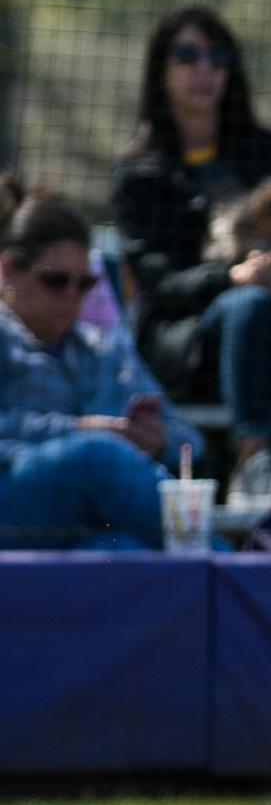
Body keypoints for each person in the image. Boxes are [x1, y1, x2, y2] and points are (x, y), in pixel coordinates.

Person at [111, 6, 271, 501]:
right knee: (249, 304)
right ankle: (252, 464)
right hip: (190, 343)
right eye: (188, 56)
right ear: (161, 69)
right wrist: (234, 276)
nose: (205, 70)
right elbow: (160, 284)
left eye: (218, 58)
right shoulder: (141, 173)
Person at [0, 190, 205, 550]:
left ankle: (231, 586)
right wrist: (80, 430)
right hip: (14, 502)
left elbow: (190, 442)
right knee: (97, 455)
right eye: (55, 280)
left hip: (90, 522)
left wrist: (157, 441)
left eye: (85, 284)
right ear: (8, 270)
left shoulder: (104, 349)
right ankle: (243, 575)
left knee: (123, 554)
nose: (71, 296)